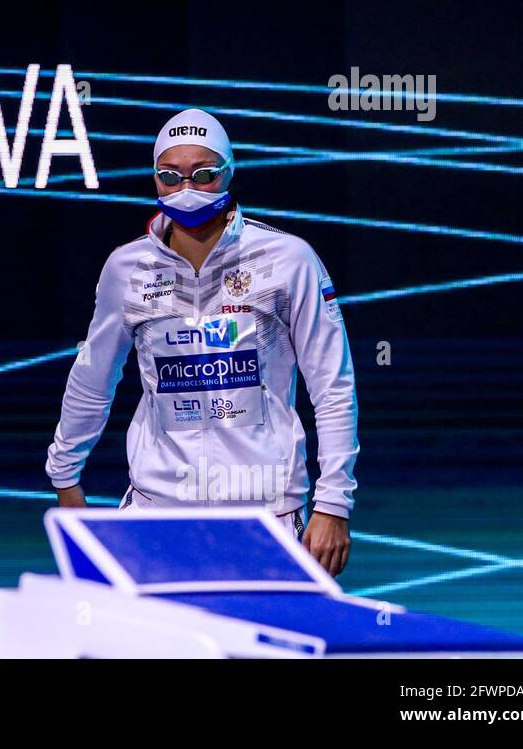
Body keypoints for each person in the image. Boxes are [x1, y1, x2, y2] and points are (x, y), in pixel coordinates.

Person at [46, 108, 358, 577]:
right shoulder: (126, 268)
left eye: (204, 174)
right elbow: (93, 378)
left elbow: (332, 387)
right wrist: (65, 476)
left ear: (229, 172)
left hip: (266, 513)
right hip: (158, 512)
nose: (186, 188)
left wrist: (333, 503)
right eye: (170, 176)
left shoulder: (288, 260)